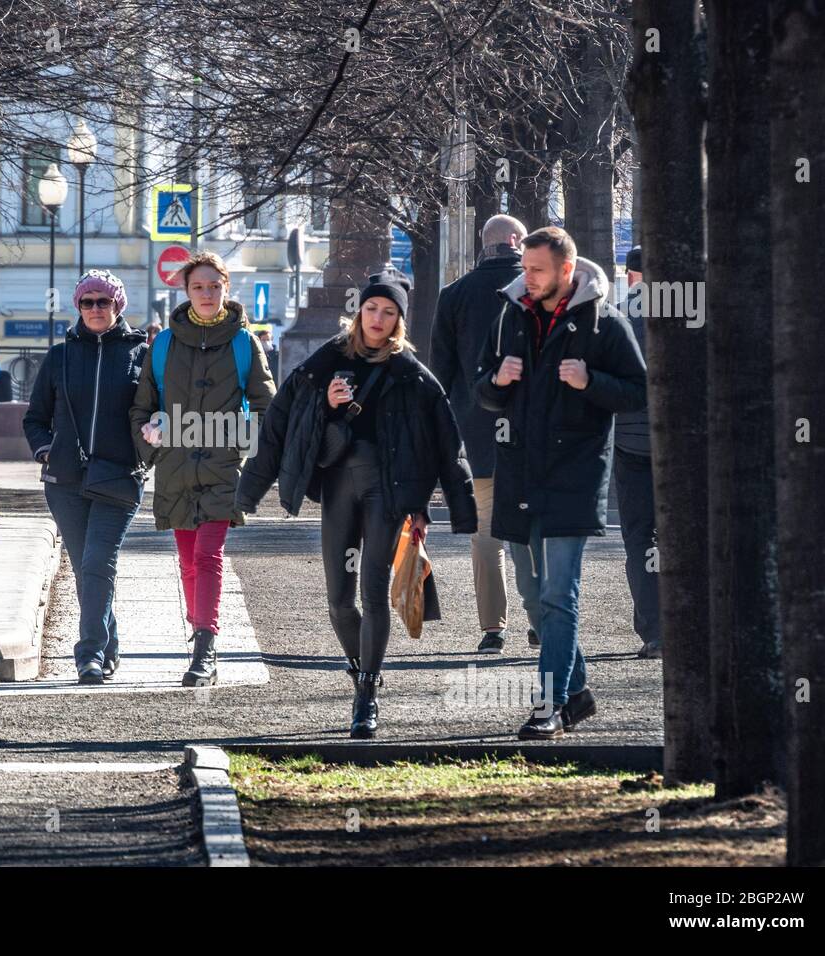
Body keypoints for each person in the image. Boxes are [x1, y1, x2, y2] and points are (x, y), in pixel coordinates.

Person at [238, 270, 478, 738]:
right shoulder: (325, 362)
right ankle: (360, 669)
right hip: (338, 488)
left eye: (388, 312)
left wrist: (429, 508)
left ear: (399, 321)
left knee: (373, 593)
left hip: (387, 492)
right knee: (338, 603)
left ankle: (367, 693)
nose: (378, 319)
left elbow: (442, 445)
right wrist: (326, 406)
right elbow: (280, 427)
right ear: (359, 311)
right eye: (372, 309)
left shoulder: (412, 374)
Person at [473, 226, 647, 740]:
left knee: (557, 594)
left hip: (574, 475)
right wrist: (497, 381)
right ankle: (578, 693)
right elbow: (482, 390)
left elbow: (638, 391)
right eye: (525, 268)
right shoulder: (510, 316)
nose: (526, 278)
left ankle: (549, 705)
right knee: (534, 594)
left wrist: (590, 382)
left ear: (566, 271)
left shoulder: (605, 323)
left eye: (537, 270)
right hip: (521, 474)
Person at [130, 251, 276, 687]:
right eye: (198, 286)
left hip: (222, 467)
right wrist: (150, 436)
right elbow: (141, 406)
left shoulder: (244, 343)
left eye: (214, 286)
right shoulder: (163, 344)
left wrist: (242, 446)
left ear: (226, 288)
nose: (207, 293)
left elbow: (267, 406)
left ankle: (205, 649)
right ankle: (200, 632)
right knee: (188, 561)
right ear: (186, 291)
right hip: (174, 465)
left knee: (208, 556)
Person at [23, 271, 147, 684]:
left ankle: (89, 653)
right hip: (65, 482)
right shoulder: (60, 357)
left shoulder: (141, 355)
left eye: (103, 301)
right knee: (86, 568)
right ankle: (108, 645)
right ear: (78, 306)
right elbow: (35, 417)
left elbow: (157, 411)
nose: (95, 309)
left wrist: (152, 443)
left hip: (119, 477)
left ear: (118, 306)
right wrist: (46, 449)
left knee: (97, 562)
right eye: (87, 302)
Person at [431, 214, 527, 654]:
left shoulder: (454, 295)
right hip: (530, 431)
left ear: (485, 244)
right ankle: (542, 616)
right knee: (533, 527)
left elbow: (441, 375)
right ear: (515, 240)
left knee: (486, 533)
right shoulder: (534, 290)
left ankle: (493, 627)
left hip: (477, 432)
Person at [614, 246, 660, 659]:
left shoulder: (617, 319)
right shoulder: (692, 313)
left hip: (629, 445)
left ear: (630, 277)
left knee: (639, 537)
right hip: (683, 445)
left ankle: (653, 628)